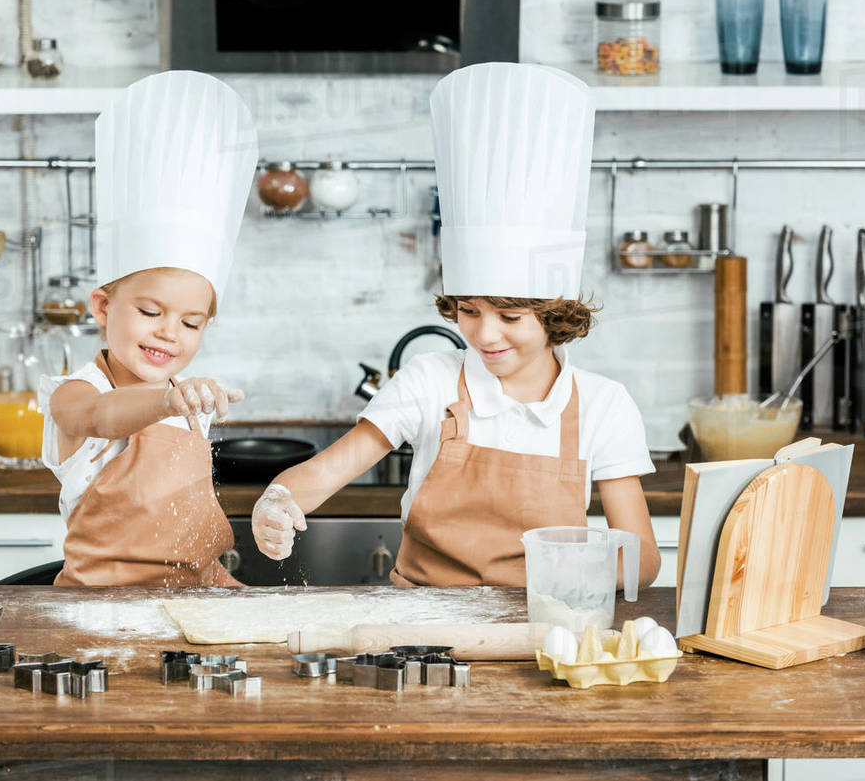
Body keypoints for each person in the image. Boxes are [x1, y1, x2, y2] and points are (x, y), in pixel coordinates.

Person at [250, 63, 660, 587]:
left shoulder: (604, 405)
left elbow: (643, 561)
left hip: (540, 628)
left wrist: (575, 569)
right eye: (469, 311)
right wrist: (278, 503)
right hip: (416, 625)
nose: (485, 334)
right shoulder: (430, 381)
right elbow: (327, 471)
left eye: (509, 316)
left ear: (555, 316)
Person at [39, 71, 257, 586]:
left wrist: (242, 600)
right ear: (102, 306)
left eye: (189, 322)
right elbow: (100, 416)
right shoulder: (76, 396)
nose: (167, 333)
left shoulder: (190, 404)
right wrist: (166, 402)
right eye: (150, 312)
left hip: (191, 605)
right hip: (98, 613)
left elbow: (193, 557)